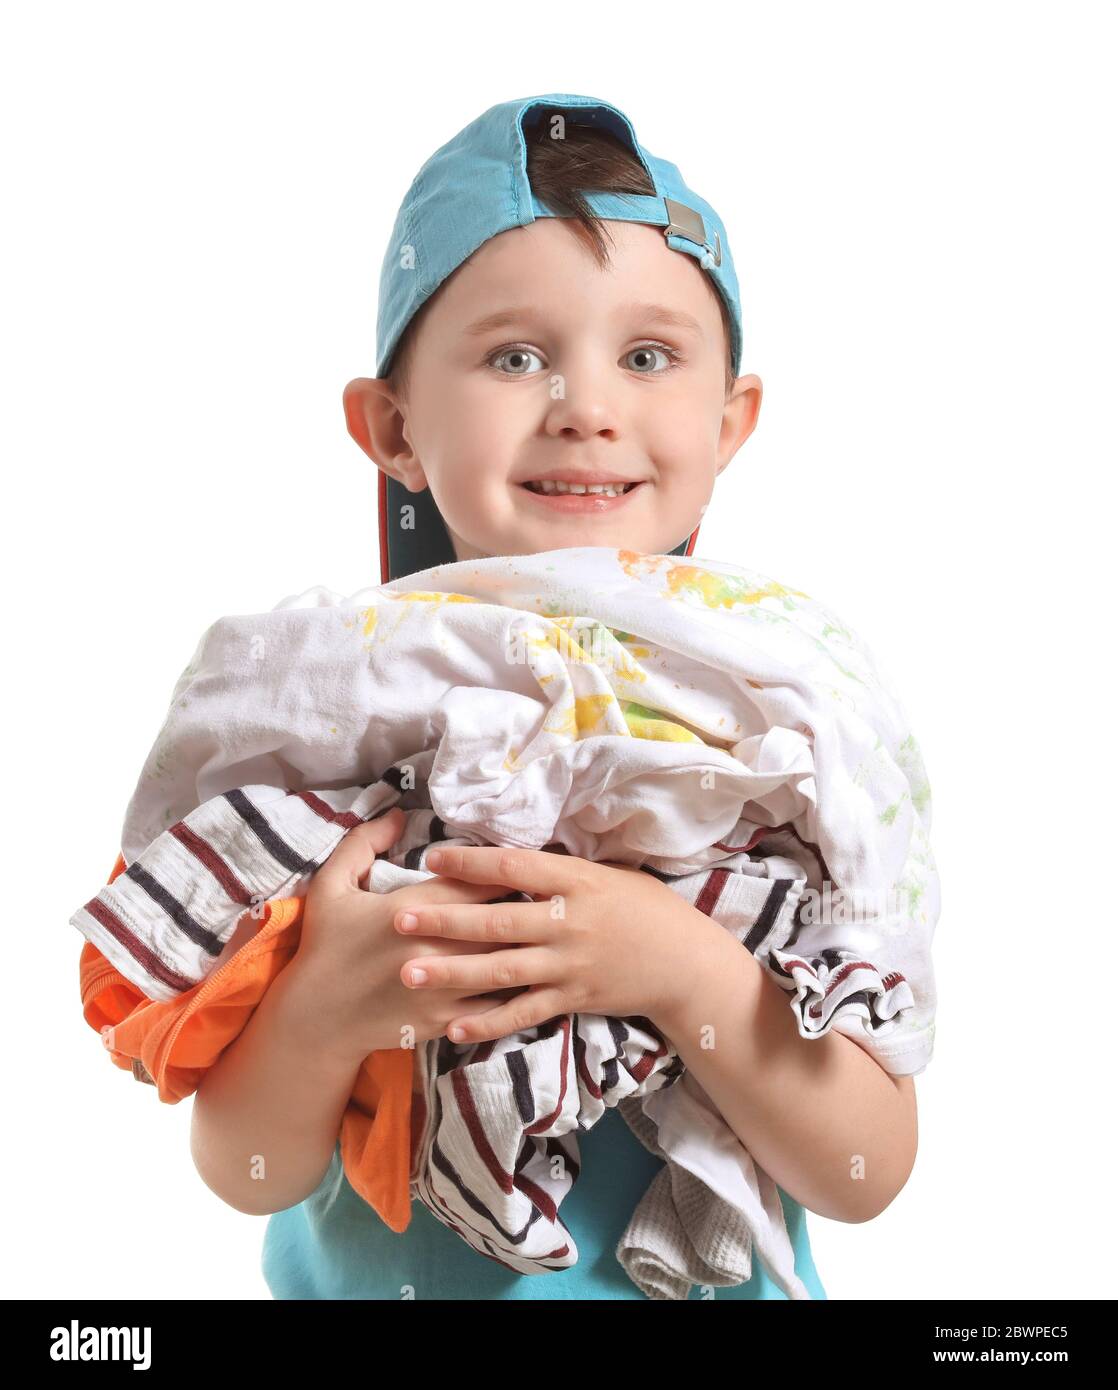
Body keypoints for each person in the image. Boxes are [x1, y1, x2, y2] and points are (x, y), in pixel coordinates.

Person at [86, 93, 933, 1300]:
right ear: (392, 429)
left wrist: (680, 969)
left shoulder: (781, 730)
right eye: (514, 355)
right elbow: (251, 1170)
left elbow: (863, 1173)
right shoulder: (317, 717)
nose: (586, 406)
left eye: (646, 357)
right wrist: (324, 1001)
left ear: (729, 420)